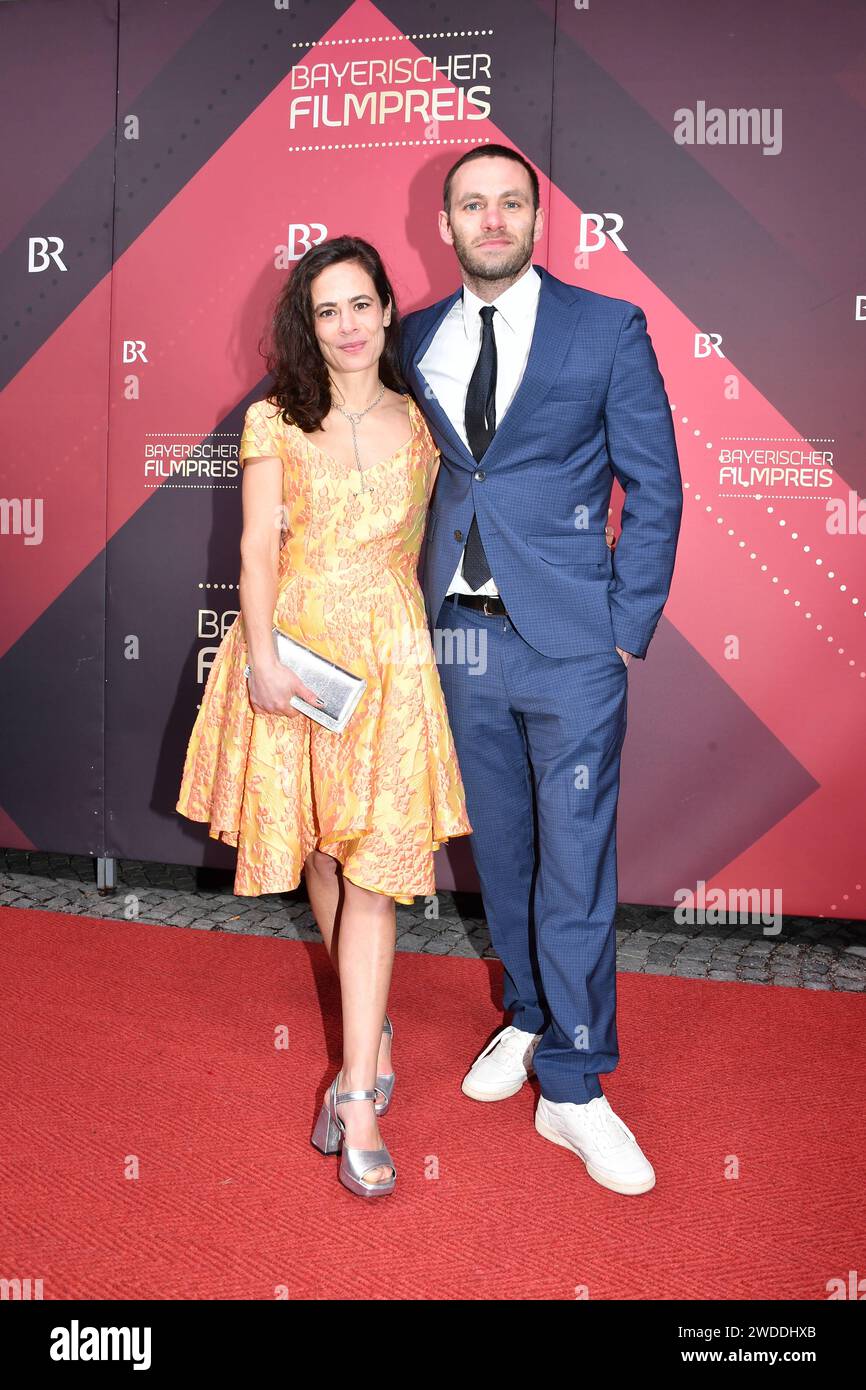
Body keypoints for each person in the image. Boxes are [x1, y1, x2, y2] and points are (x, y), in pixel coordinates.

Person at [400, 144, 683, 1196]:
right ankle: (525, 1014)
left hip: (569, 642)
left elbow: (654, 485)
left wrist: (623, 625)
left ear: (534, 218)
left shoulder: (603, 327)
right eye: (470, 203)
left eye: (508, 202)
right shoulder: (414, 338)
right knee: (504, 855)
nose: (490, 218)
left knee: (575, 862)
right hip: (458, 640)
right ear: (445, 223)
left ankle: (573, 1084)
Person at [175, 236, 472, 1199]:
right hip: (296, 655)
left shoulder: (428, 423)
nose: (345, 325)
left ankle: (358, 1097)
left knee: (378, 868)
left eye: (359, 305)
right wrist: (259, 658)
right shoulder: (275, 417)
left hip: (387, 658)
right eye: (325, 310)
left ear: (389, 309)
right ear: (309, 324)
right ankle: (369, 1022)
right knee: (320, 854)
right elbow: (257, 546)